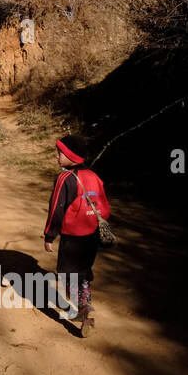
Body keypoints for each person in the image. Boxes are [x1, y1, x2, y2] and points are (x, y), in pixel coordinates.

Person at [42, 135, 110, 338]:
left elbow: (56, 209)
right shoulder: (94, 176)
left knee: (65, 274)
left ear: (70, 156)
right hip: (92, 236)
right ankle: (85, 304)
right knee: (83, 272)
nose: (57, 156)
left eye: (60, 153)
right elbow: (104, 208)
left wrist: (49, 235)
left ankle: (83, 308)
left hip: (72, 237)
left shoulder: (64, 178)